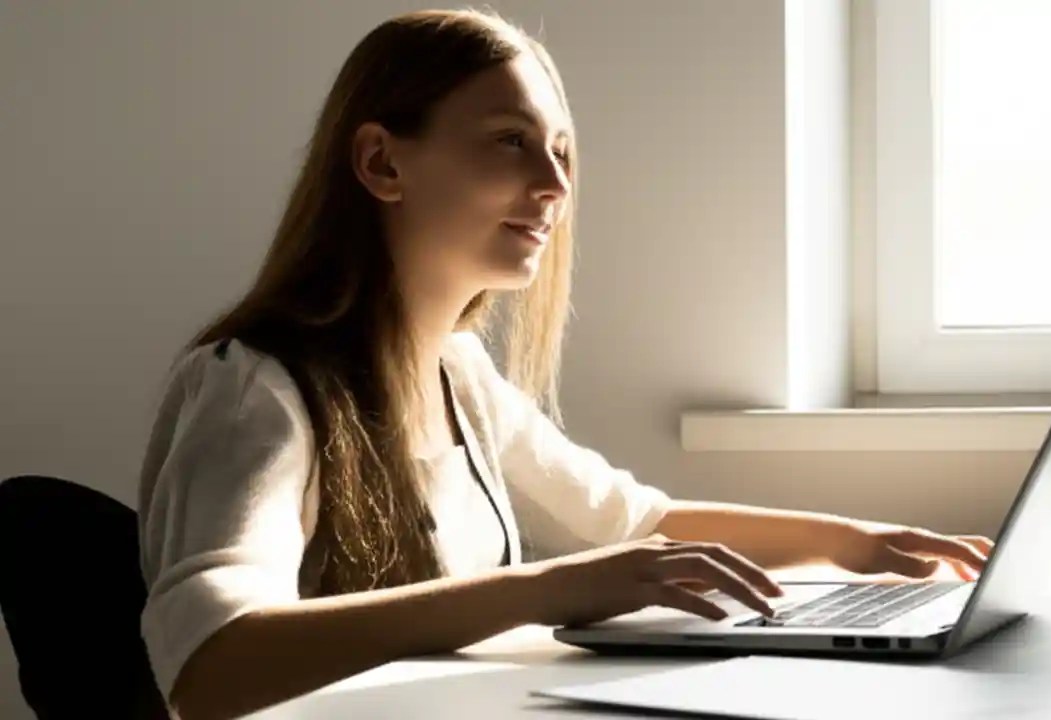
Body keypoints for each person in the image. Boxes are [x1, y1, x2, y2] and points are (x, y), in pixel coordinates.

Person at [136, 8, 994, 720]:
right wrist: (542, 590)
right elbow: (211, 667)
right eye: (510, 142)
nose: (554, 184)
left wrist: (853, 545)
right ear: (381, 162)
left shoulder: (458, 373)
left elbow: (635, 524)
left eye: (561, 152)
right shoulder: (255, 385)